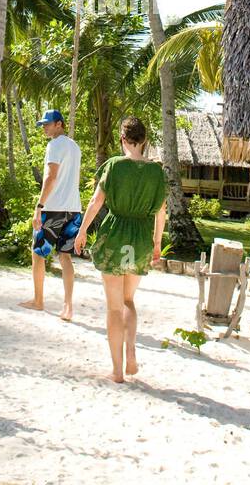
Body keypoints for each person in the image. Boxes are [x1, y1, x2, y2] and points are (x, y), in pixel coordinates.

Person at [74, 116, 167, 383]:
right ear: (144, 140)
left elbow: (95, 201)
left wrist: (82, 231)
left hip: (115, 234)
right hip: (140, 238)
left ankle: (117, 371)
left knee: (114, 308)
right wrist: (157, 243)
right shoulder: (156, 172)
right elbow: (161, 212)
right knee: (128, 300)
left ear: (123, 139)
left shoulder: (113, 166)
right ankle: (131, 351)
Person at [21, 109, 82, 322]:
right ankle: (68, 307)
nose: (45, 127)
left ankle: (38, 301)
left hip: (53, 208)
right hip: (73, 209)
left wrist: (39, 206)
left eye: (48, 124)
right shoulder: (75, 147)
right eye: (43, 124)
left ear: (59, 124)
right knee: (65, 257)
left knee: (38, 254)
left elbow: (51, 177)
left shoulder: (54, 145)